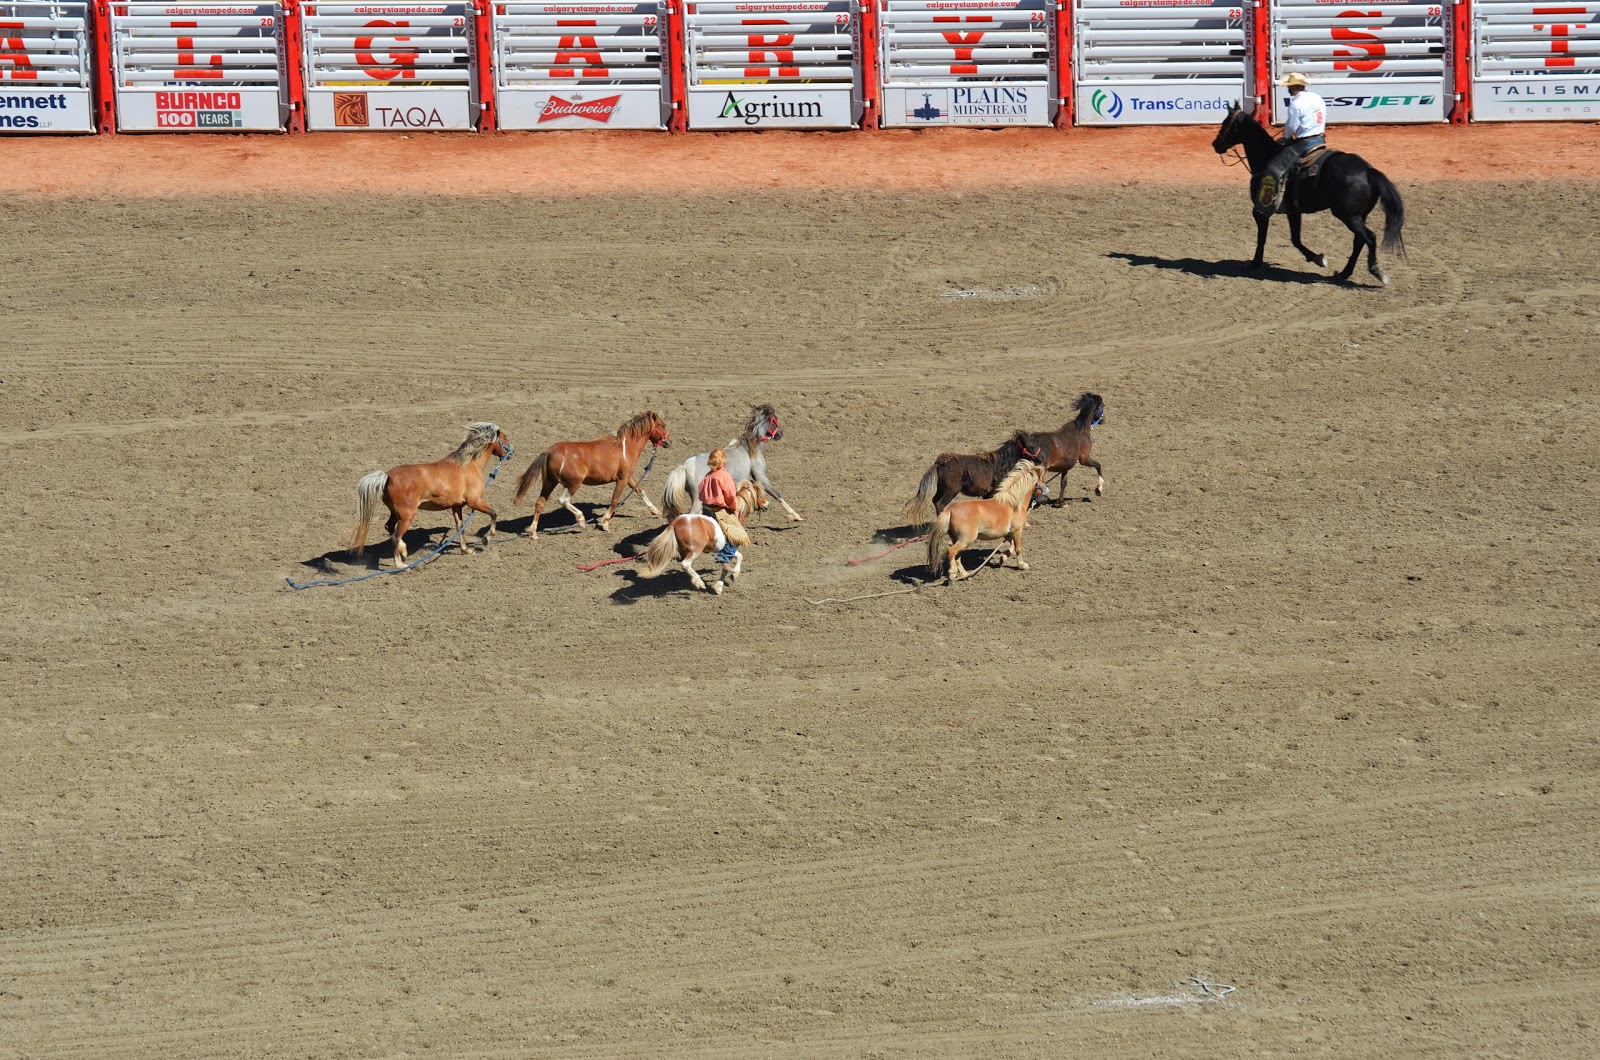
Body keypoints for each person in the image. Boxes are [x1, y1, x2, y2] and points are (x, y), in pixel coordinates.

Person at [1256, 71, 1327, 218]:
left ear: (1293, 86)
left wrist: (1286, 137)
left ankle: (1281, 200)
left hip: (1304, 142)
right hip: (1319, 139)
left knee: (1277, 165)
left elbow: (1292, 127)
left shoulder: (1296, 103)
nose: (1287, 88)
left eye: (1288, 85)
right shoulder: (1316, 97)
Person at [697, 448, 750, 566]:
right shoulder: (724, 476)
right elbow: (731, 496)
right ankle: (725, 556)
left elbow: (700, 491)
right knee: (737, 533)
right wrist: (733, 508)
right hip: (718, 511)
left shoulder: (708, 475)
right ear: (724, 461)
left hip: (705, 509)